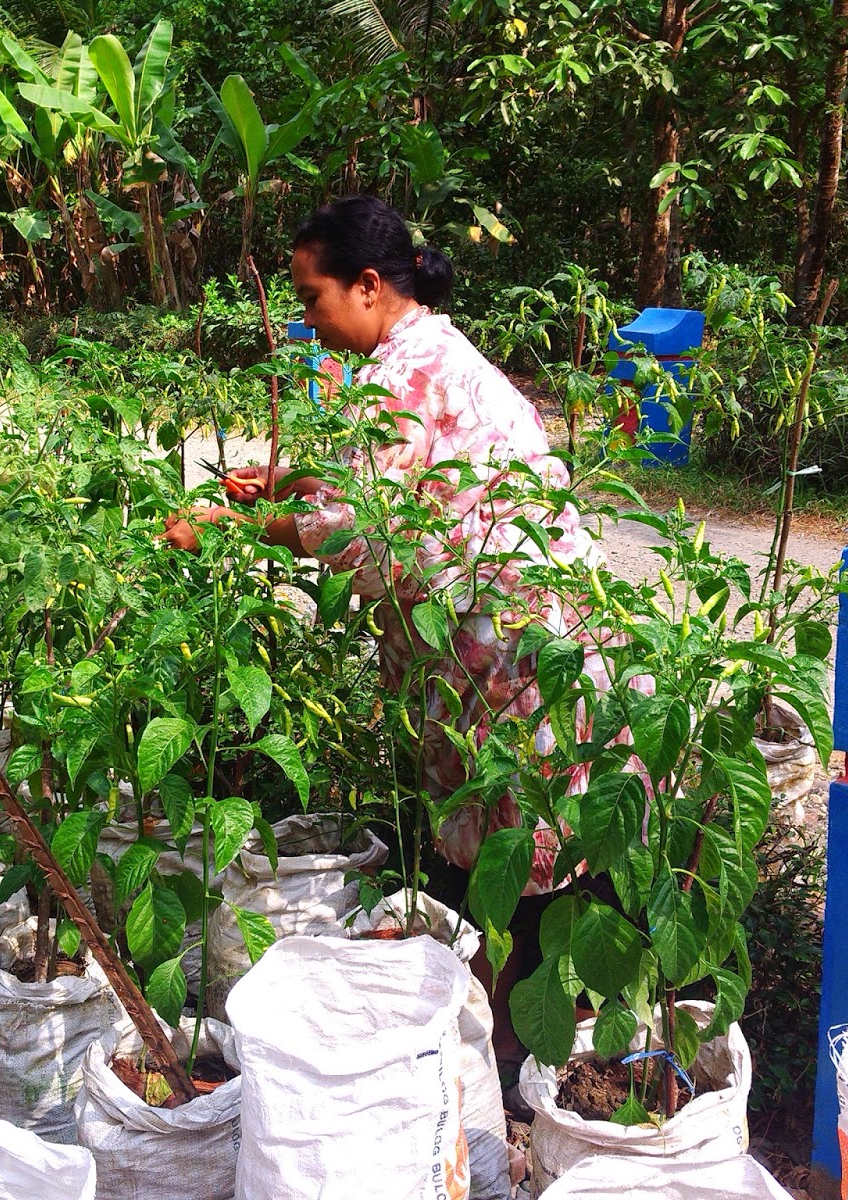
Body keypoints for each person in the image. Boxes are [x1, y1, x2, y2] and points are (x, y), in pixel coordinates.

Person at [163, 195, 611, 1062]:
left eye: (311, 297)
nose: (305, 318)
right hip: (501, 638)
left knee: (515, 832)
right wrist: (290, 478)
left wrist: (221, 525)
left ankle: (511, 1045)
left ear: (368, 285)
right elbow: (385, 471)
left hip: (505, 645)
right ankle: (498, 1028)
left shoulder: (404, 369)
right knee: (503, 824)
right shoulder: (418, 352)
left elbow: (364, 529)